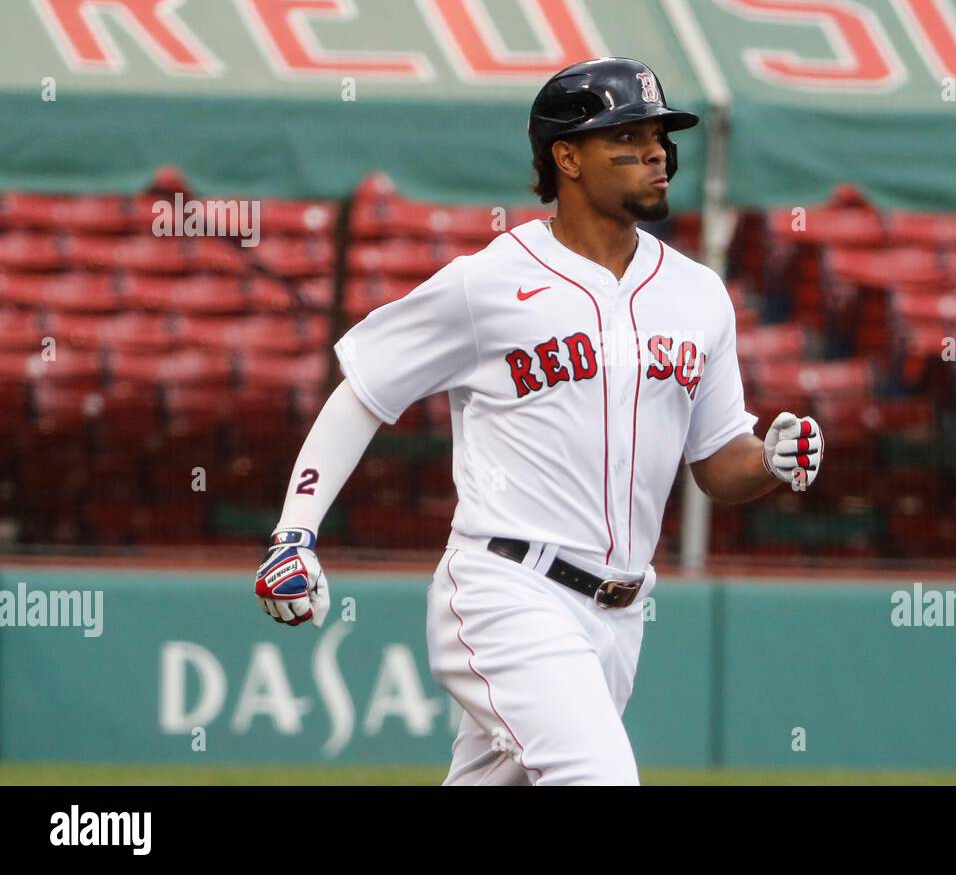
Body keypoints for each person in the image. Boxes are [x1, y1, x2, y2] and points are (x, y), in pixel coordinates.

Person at [254, 57, 825, 785]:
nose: (656, 153)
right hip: (507, 589)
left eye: (661, 137)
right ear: (567, 157)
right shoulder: (489, 281)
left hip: (620, 613)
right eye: (629, 136)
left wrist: (769, 463)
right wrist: (294, 532)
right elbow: (365, 389)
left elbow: (718, 462)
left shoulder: (698, 294)